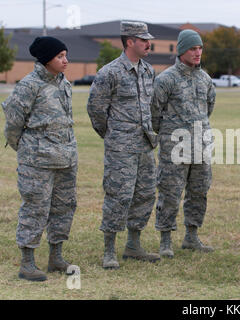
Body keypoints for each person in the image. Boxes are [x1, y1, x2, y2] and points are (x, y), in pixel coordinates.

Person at [2, 36, 77, 281]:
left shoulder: (64, 83)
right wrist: (25, 149)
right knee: (35, 209)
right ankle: (27, 263)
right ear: (46, 60)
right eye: (59, 56)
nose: (65, 60)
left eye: (65, 55)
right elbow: (13, 124)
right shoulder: (29, 85)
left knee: (64, 207)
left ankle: (56, 257)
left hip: (65, 159)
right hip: (37, 161)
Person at [87, 21, 160, 269]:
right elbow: (96, 110)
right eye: (143, 40)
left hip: (145, 145)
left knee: (145, 193)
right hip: (121, 147)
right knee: (118, 195)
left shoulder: (148, 71)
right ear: (130, 41)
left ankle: (133, 245)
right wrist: (114, 136)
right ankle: (109, 250)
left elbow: (150, 107)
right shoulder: (110, 72)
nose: (149, 44)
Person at [152, 29, 215, 258]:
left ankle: (191, 236)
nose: (197, 53)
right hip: (175, 147)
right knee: (170, 192)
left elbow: (209, 107)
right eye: (192, 48)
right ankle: (165, 238)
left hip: (201, 144)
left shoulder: (205, 78)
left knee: (199, 191)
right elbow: (154, 111)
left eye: (199, 48)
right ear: (181, 51)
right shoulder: (166, 79)